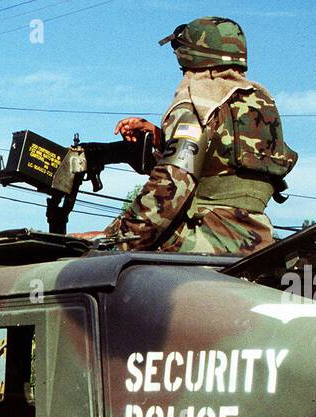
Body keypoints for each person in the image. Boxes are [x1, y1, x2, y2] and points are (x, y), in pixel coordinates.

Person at [98, 16, 297, 255]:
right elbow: (223, 163)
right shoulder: (258, 101)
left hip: (205, 238)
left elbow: (171, 185)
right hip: (257, 241)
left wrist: (113, 241)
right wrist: (161, 138)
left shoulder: (198, 100)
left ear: (188, 55)